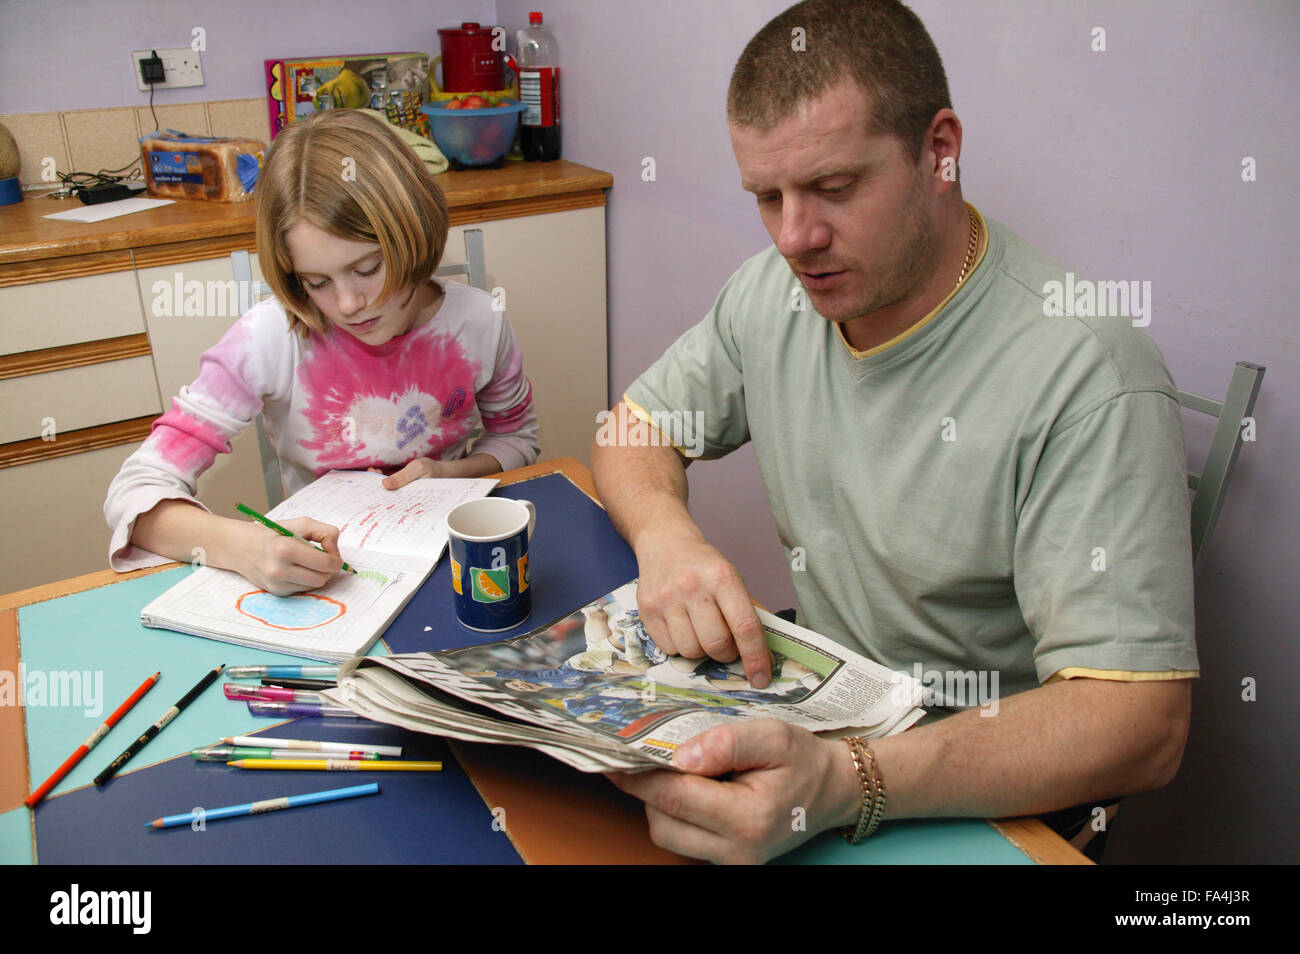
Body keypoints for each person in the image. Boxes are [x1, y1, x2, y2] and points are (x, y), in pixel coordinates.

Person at [591, 0, 1197, 864]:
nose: (795, 237)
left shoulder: (1088, 372)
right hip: (826, 718)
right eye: (768, 196)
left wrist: (851, 782)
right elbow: (633, 428)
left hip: (983, 795)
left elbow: (1141, 723)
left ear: (939, 151)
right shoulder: (772, 293)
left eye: (835, 188)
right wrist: (666, 536)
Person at [105, 110, 539, 595]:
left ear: (413, 234)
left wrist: (449, 472)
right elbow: (135, 491)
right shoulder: (270, 338)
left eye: (368, 267)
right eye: (317, 282)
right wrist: (242, 546)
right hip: (321, 580)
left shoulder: (480, 321)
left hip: (450, 565)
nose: (349, 305)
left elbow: (518, 439)